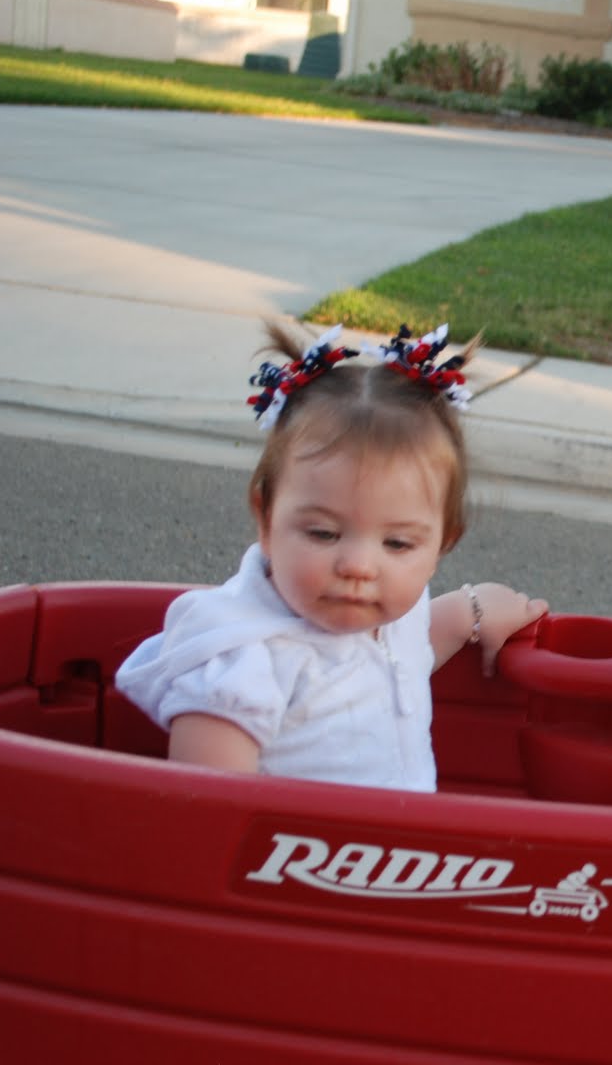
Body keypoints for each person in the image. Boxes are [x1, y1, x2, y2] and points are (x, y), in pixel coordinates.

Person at [116, 322, 548, 791]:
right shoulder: (243, 663)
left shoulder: (393, 616)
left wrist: (476, 609)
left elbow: (412, 643)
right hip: (291, 864)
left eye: (398, 544)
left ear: (443, 543)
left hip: (393, 857)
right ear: (265, 520)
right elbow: (207, 819)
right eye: (323, 533)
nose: (358, 567)